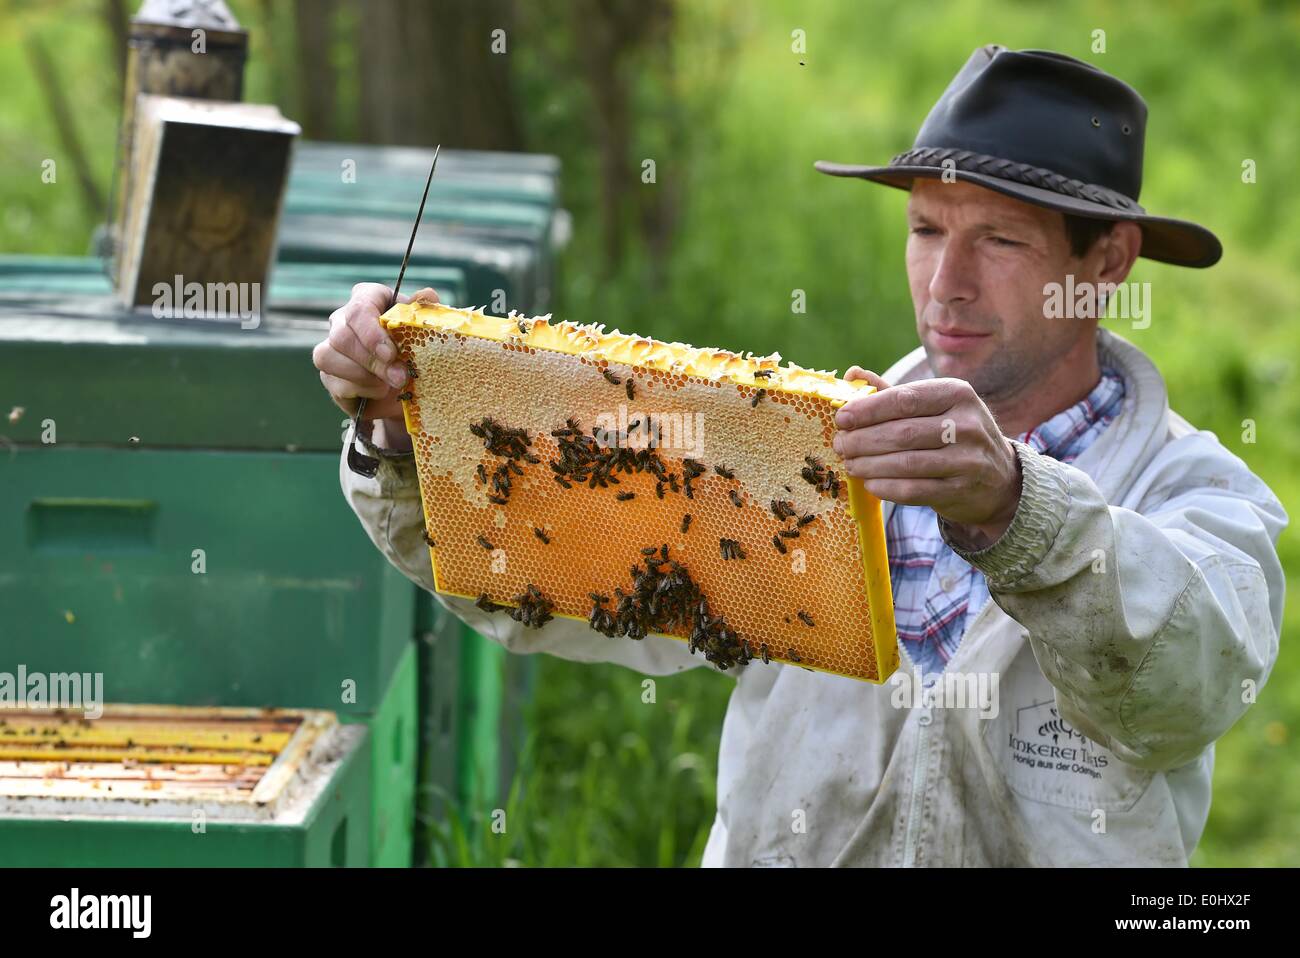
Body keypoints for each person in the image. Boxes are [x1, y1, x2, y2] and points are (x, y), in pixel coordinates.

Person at [313, 45, 1286, 866]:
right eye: (924, 229)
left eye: (998, 240)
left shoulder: (1193, 494)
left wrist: (1015, 510)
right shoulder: (794, 446)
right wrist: (410, 429)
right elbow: (552, 575)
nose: (945, 282)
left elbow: (1180, 687)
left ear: (1106, 261)